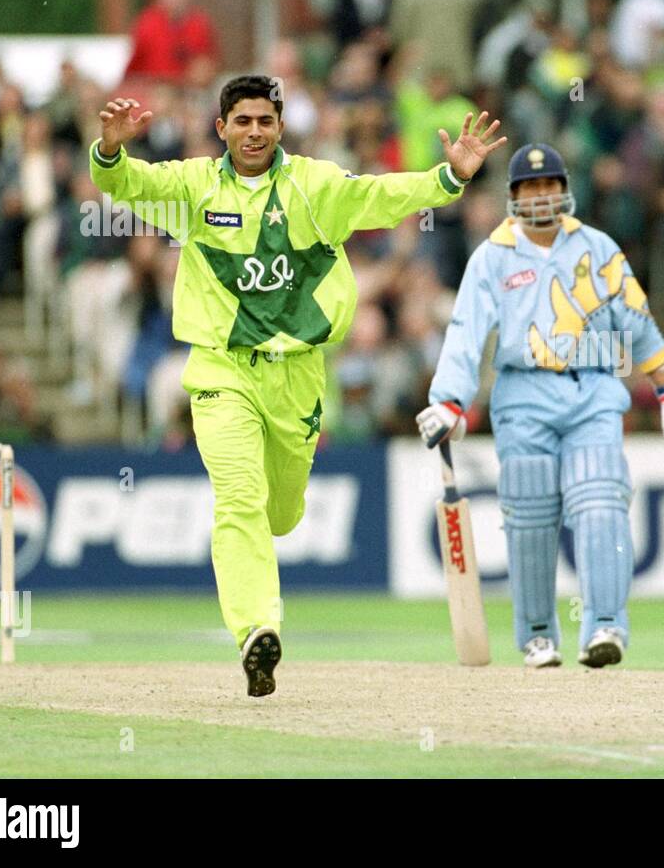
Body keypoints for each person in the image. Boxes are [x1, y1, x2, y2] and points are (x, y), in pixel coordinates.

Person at [89, 74, 506, 696]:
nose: (254, 131)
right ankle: (258, 631)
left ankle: (270, 559)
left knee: (279, 512)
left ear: (281, 127)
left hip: (298, 377)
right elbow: (126, 184)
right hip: (221, 371)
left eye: (265, 121)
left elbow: (382, 196)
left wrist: (448, 179)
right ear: (221, 127)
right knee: (238, 497)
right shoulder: (194, 187)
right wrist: (111, 151)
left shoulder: (316, 185)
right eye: (242, 121)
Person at [417, 143, 664, 670]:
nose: (541, 196)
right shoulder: (492, 256)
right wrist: (449, 402)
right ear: (514, 195)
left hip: (593, 391)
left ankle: (605, 626)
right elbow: (466, 333)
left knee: (600, 504)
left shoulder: (598, 246)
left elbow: (637, 319)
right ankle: (538, 634)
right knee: (530, 516)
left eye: (549, 186)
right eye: (530, 187)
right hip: (522, 397)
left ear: (564, 190)